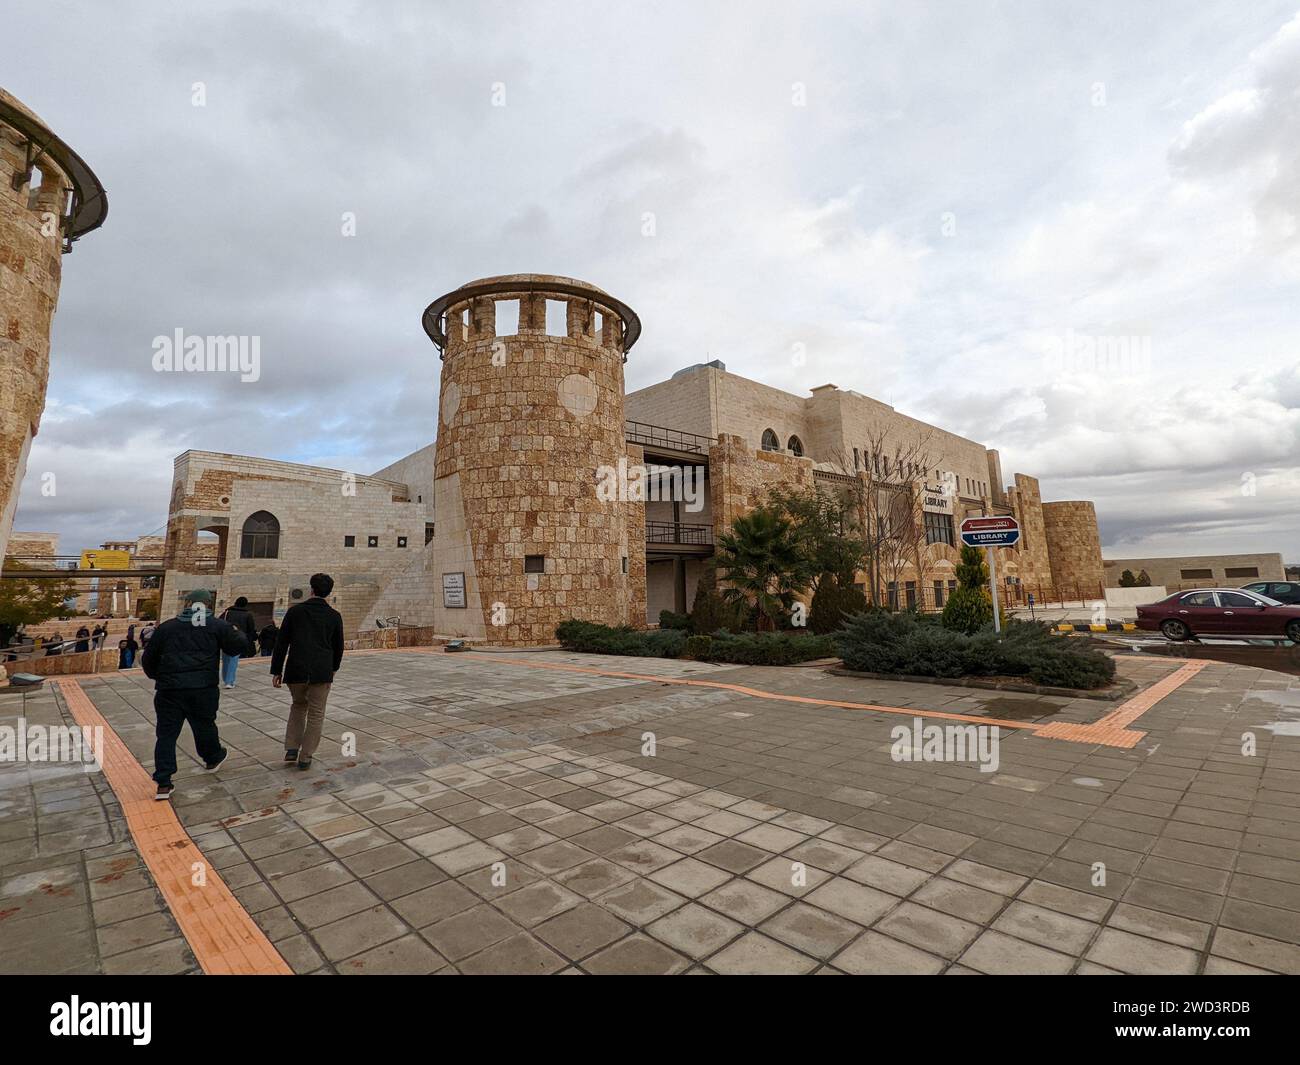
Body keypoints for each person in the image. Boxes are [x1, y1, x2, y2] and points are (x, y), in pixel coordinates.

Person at [140, 589, 248, 801]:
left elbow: (149, 659)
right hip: (202, 688)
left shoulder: (168, 627)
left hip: (169, 690)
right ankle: (212, 757)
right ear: (208, 605)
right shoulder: (216, 625)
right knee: (205, 725)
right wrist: (239, 631)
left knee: (166, 734)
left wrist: (160, 677)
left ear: (187, 604)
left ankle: (163, 781)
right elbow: (238, 647)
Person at [271, 573, 344, 771]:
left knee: (298, 706)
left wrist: (277, 670)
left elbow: (281, 643)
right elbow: (339, 647)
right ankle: (306, 756)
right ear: (328, 593)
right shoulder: (334, 616)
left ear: (311, 590)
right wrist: (334, 668)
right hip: (321, 671)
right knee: (316, 713)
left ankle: (292, 748)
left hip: (296, 668)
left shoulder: (295, 612)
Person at [219, 597, 258, 688]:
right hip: (239, 639)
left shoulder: (227, 612)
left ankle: (225, 679)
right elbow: (251, 629)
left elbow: (219, 622)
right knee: (233, 660)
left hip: (226, 638)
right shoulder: (248, 614)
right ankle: (230, 681)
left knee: (225, 659)